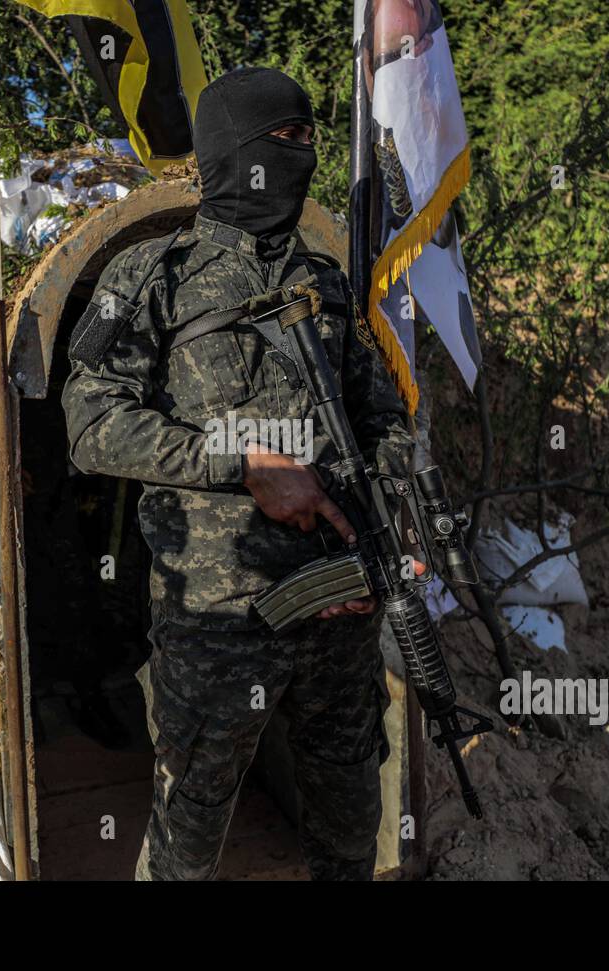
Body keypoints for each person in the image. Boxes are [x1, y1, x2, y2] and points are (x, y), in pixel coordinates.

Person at [61, 66, 414, 881]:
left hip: (340, 604)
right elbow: (91, 427)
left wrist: (390, 526)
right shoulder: (155, 277)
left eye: (307, 138)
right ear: (232, 150)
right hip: (216, 620)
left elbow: (383, 421)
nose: (303, 155)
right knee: (190, 832)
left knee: (350, 822)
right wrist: (245, 464)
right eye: (282, 139)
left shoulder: (326, 281)